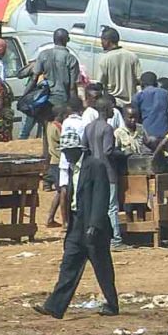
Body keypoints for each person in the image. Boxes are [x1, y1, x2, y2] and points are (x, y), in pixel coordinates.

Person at [35, 127, 119, 319]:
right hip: (76, 224)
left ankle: (112, 304)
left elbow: (101, 196)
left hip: (93, 225)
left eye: (67, 151)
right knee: (69, 265)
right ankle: (55, 307)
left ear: (77, 150)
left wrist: (94, 225)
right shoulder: (73, 168)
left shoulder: (95, 166)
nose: (65, 155)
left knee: (102, 268)